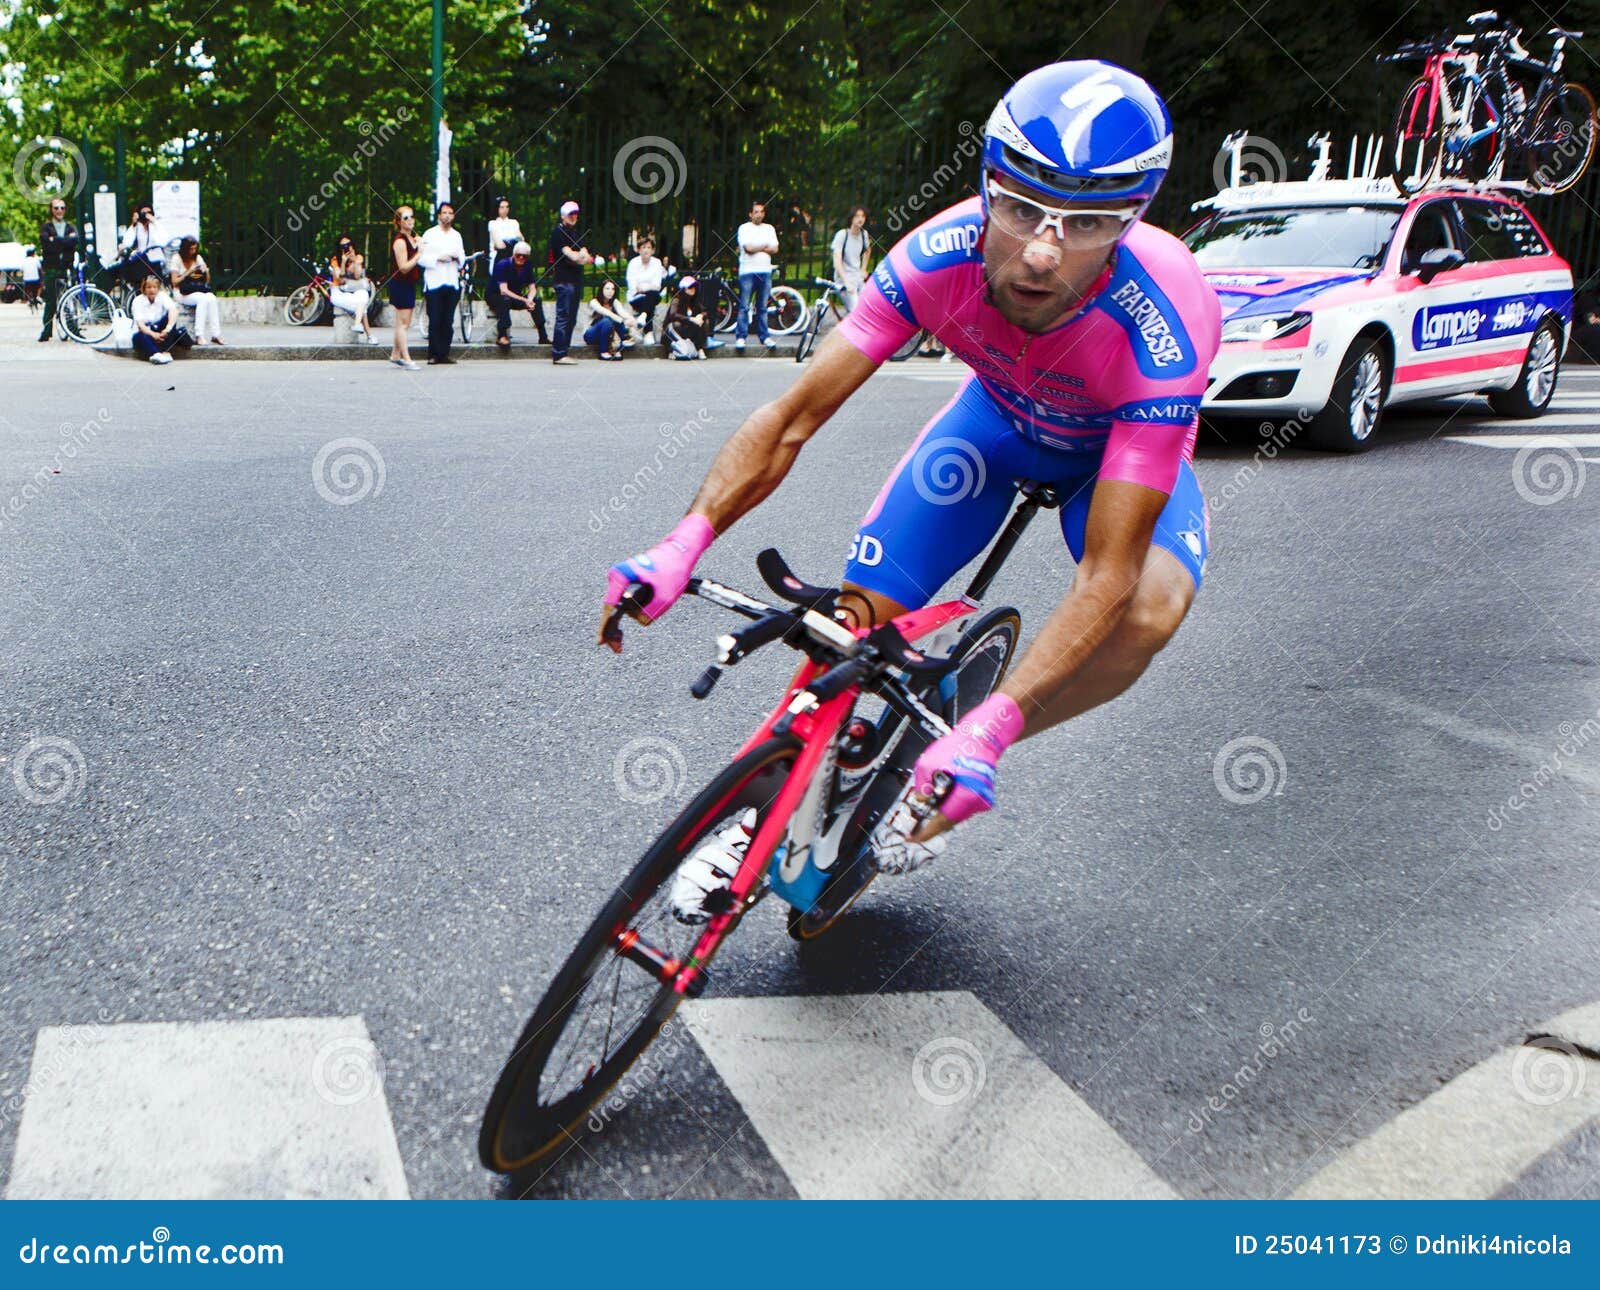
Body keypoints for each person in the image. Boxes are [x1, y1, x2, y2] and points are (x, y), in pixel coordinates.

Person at [600, 61, 1221, 922]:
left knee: (1150, 610)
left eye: (1086, 222)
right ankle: (760, 816)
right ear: (985, 187)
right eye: (1020, 206)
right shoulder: (936, 256)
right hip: (993, 429)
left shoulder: (1167, 317)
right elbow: (789, 419)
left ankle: (972, 742)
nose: (1043, 249)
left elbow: (1105, 577)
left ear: (1133, 220)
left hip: (1106, 458)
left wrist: (993, 729)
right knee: (851, 626)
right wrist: (683, 539)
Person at [419, 201, 465, 365]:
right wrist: (437, 258)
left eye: (450, 213)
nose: (447, 216)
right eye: (444, 213)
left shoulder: (456, 235)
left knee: (448, 320)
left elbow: (462, 257)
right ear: (439, 215)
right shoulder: (429, 234)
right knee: (435, 319)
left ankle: (444, 353)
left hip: (451, 280)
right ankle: (433, 354)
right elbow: (421, 258)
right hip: (434, 281)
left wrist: (455, 257)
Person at [548, 200, 592, 366]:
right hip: (564, 280)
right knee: (564, 316)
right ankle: (559, 353)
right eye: (570, 213)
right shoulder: (557, 233)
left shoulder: (576, 233)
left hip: (576, 279)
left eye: (575, 213)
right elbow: (571, 256)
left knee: (571, 317)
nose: (574, 216)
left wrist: (579, 256)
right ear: (563, 215)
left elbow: (585, 257)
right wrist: (578, 255)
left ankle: (564, 350)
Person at [734, 200, 779, 350]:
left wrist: (758, 247)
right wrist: (764, 246)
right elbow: (748, 248)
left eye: (761, 212)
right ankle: (741, 337)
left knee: (762, 307)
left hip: (765, 270)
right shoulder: (744, 228)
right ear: (750, 214)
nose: (759, 215)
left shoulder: (769, 228)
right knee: (744, 306)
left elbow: (775, 249)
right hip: (748, 271)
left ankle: (765, 337)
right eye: (756, 212)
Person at [167, 236, 224, 345]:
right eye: (190, 249)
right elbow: (174, 282)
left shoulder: (197, 258)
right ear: (184, 249)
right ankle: (199, 335)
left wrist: (206, 271)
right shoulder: (177, 258)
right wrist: (188, 272)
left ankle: (216, 334)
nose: (192, 252)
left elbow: (206, 281)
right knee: (202, 299)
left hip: (197, 289)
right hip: (182, 292)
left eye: (194, 249)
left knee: (211, 298)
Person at [37, 198, 77, 342]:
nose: (59, 210)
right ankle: (46, 331)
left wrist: (56, 240)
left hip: (66, 267)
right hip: (51, 268)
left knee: (70, 300)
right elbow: (47, 244)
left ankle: (74, 330)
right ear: (51, 210)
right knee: (51, 301)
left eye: (62, 208)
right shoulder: (46, 227)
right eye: (56, 208)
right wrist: (65, 241)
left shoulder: (70, 227)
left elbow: (74, 241)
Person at [129, 274, 193, 364]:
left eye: (155, 287)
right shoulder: (138, 301)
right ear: (143, 288)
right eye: (148, 287)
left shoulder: (162, 296)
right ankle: (157, 354)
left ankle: (164, 352)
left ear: (158, 288)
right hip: (146, 332)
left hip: (160, 331)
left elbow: (173, 310)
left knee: (169, 318)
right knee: (141, 336)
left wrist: (168, 328)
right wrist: (153, 334)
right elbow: (140, 325)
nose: (152, 290)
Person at [490, 241, 542, 348]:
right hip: (495, 295)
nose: (521, 258)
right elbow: (503, 290)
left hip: (514, 296)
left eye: (525, 256)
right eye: (519, 255)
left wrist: (530, 300)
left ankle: (543, 336)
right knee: (505, 300)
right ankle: (502, 336)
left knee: (536, 301)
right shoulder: (503, 264)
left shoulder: (527, 266)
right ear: (514, 254)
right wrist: (524, 300)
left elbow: (532, 288)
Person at [388, 205, 422, 369]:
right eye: (406, 218)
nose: (410, 220)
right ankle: (406, 358)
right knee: (404, 323)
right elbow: (403, 267)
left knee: (400, 322)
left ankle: (395, 354)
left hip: (408, 283)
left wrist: (418, 246)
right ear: (399, 221)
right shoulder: (400, 241)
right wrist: (418, 254)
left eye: (412, 217)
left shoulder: (412, 237)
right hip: (401, 283)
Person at [329, 234, 376, 344]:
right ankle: (368, 334)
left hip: (353, 289)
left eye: (349, 244)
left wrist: (354, 261)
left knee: (363, 294)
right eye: (344, 246)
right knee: (362, 305)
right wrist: (344, 262)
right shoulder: (335, 260)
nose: (347, 248)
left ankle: (359, 325)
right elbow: (340, 279)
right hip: (338, 292)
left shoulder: (358, 257)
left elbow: (357, 276)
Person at [625, 236, 668, 343]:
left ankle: (643, 316)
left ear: (653, 250)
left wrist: (644, 287)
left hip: (653, 295)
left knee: (653, 295)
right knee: (650, 303)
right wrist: (648, 287)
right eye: (643, 247)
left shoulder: (657, 263)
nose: (646, 250)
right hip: (636, 297)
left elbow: (657, 285)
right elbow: (633, 287)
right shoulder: (633, 263)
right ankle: (648, 333)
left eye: (649, 247)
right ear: (639, 250)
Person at [830, 206, 871, 312]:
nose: (860, 219)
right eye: (857, 216)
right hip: (843, 278)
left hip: (857, 276)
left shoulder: (864, 234)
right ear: (851, 218)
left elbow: (867, 250)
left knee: (870, 304)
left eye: (863, 216)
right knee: (856, 309)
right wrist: (846, 281)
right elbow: (837, 261)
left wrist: (863, 268)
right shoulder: (842, 235)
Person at [118, 203, 165, 287]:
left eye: (148, 212)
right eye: (143, 213)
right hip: (142, 260)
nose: (145, 215)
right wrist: (133, 224)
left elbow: (163, 240)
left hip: (155, 259)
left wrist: (154, 221)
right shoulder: (137, 227)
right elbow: (127, 242)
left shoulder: (155, 226)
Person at [583, 279, 632, 360]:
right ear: (601, 290)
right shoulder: (594, 302)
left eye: (613, 289)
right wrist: (618, 318)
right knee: (607, 321)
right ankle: (603, 352)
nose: (610, 291)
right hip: (591, 335)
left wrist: (631, 319)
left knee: (619, 322)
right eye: (607, 289)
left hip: (608, 335)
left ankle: (618, 349)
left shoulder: (615, 302)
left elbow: (622, 312)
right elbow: (604, 311)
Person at [663, 276, 709, 360]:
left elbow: (704, 311)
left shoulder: (695, 301)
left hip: (687, 330)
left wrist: (701, 316)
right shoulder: (677, 300)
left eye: (694, 287)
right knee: (676, 324)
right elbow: (673, 315)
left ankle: (699, 348)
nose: (693, 289)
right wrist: (690, 319)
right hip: (673, 331)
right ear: (683, 289)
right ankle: (671, 350)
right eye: (690, 287)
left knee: (703, 322)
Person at [487, 197, 523, 267]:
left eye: (507, 207)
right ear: (497, 208)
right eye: (502, 207)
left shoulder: (514, 222)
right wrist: (513, 241)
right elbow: (500, 246)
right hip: (499, 259)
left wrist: (507, 242)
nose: (505, 210)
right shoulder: (493, 224)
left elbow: (521, 240)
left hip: (514, 259)